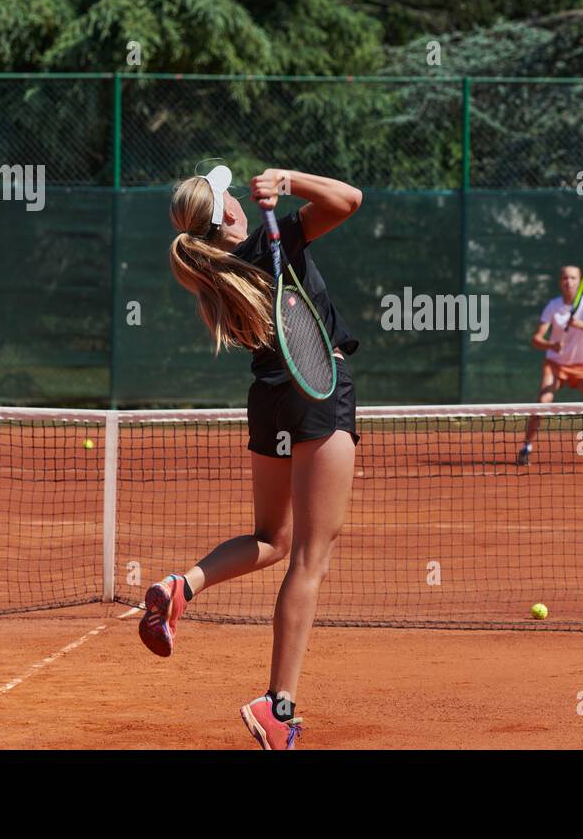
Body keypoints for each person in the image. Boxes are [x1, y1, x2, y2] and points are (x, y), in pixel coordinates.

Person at [140, 166, 363, 750]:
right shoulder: (271, 241)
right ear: (229, 215)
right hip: (317, 390)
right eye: (229, 194)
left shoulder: (216, 273)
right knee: (311, 559)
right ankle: (277, 705)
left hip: (268, 398)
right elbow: (349, 199)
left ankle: (180, 586)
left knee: (273, 538)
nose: (238, 197)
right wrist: (289, 180)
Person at [517, 265, 583, 466]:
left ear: (579, 281)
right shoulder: (553, 306)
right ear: (560, 282)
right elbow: (536, 338)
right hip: (556, 365)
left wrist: (579, 324)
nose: (569, 282)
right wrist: (552, 345)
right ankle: (525, 448)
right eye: (565, 278)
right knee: (542, 403)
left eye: (573, 278)